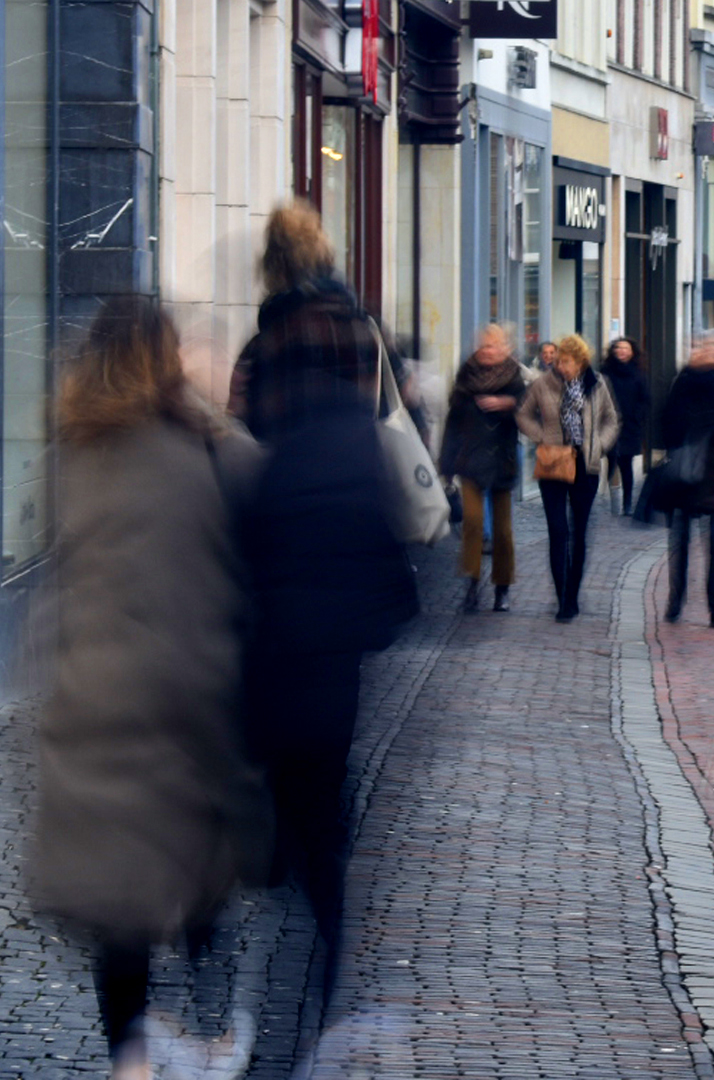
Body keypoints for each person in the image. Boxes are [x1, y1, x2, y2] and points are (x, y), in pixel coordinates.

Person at [36, 297, 268, 1080]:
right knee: (203, 877)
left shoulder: (72, 451)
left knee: (119, 910)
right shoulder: (204, 451)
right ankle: (207, 1038)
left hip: (90, 707)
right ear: (165, 359)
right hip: (180, 703)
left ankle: (130, 1060)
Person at [232, 200, 419, 1019]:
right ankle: (326, 863)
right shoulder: (357, 327)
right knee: (331, 731)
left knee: (276, 726)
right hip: (347, 551)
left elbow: (246, 433)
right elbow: (383, 413)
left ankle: (285, 844)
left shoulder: (269, 339)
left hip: (283, 558)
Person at [518, 334, 621, 622]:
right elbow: (523, 414)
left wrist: (598, 445)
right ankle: (562, 598)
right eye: (559, 360)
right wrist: (541, 437)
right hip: (553, 462)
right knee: (557, 531)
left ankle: (573, 596)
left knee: (578, 533)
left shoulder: (597, 385)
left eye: (567, 362)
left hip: (585, 466)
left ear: (580, 362)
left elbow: (611, 420)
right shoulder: (543, 383)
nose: (562, 366)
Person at [441, 324, 528, 613]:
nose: (488, 351)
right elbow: (453, 422)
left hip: (502, 459)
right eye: (484, 345)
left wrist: (509, 405)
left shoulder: (515, 379)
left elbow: (528, 415)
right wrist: (446, 464)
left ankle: (502, 588)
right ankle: (472, 585)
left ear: (504, 349)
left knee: (502, 531)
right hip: (470, 459)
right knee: (474, 524)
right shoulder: (466, 376)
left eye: (494, 345)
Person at [657, 330, 714, 628]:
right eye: (696, 347)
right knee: (680, 542)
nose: (700, 352)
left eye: (707, 348)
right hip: (683, 476)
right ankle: (676, 599)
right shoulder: (683, 381)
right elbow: (666, 421)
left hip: (713, 476)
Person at [602, 335, 652, 515]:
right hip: (608, 424)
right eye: (618, 348)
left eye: (625, 348)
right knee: (610, 460)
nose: (621, 351)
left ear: (632, 352)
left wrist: (637, 417)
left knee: (626, 463)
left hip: (629, 426)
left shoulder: (638, 373)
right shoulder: (605, 372)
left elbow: (645, 399)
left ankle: (627, 503)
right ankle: (608, 498)